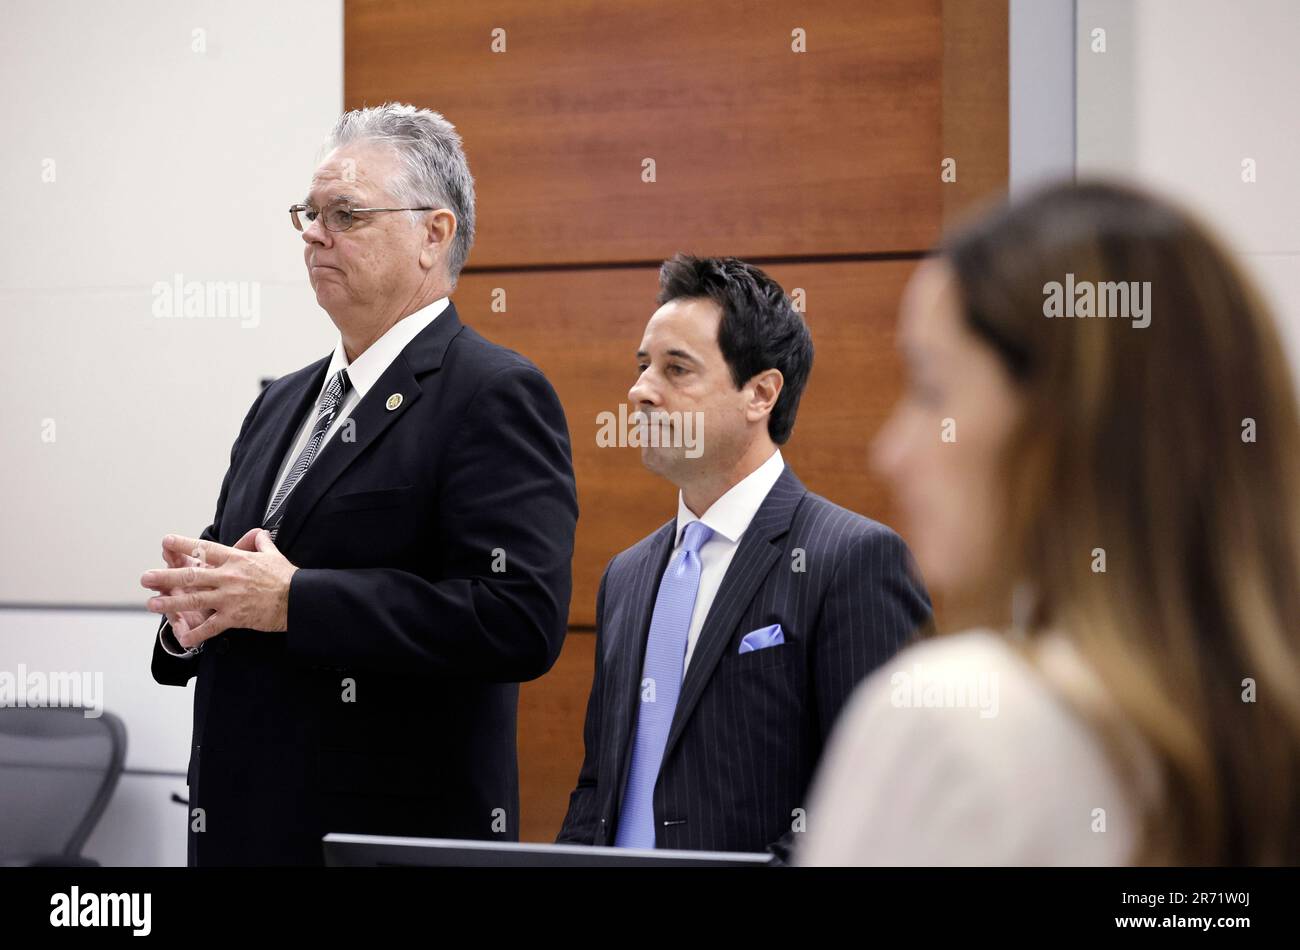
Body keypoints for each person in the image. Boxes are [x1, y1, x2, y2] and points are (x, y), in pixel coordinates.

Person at [799, 180, 1300, 865]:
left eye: (930, 388)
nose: (891, 449)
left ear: (1065, 420)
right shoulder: (1260, 736)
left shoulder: (951, 723)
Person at [141, 103, 579, 865]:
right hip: (237, 834)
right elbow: (243, 574)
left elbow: (519, 617)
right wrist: (193, 616)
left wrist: (295, 601)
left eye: (345, 213)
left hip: (376, 842)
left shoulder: (493, 392)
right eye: (308, 213)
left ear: (432, 236)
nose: (315, 233)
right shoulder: (280, 401)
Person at [556, 254, 932, 861]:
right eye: (642, 365)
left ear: (761, 393)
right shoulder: (624, 577)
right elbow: (598, 790)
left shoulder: (853, 559)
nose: (640, 391)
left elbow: (878, 802)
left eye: (676, 369)